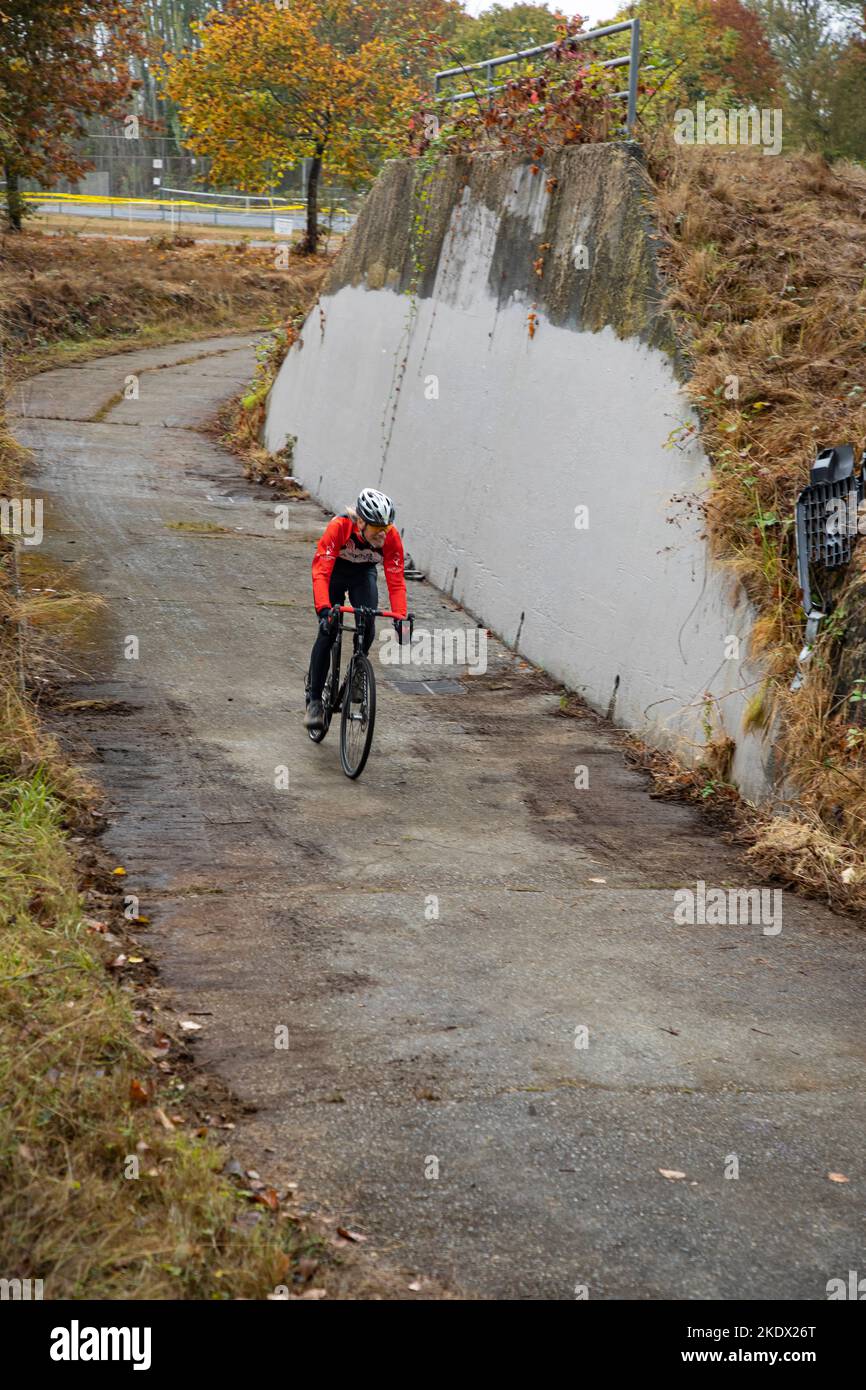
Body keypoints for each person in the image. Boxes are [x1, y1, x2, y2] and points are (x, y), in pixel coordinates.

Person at [304, 488, 407, 730]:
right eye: (376, 530)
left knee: (368, 623)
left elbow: (396, 579)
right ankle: (315, 701)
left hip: (362, 574)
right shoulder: (339, 527)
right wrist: (324, 610)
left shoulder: (390, 538)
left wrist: (400, 617)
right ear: (360, 522)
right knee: (328, 631)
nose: (382, 535)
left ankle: (358, 669)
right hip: (334, 573)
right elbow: (321, 571)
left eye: (387, 529)